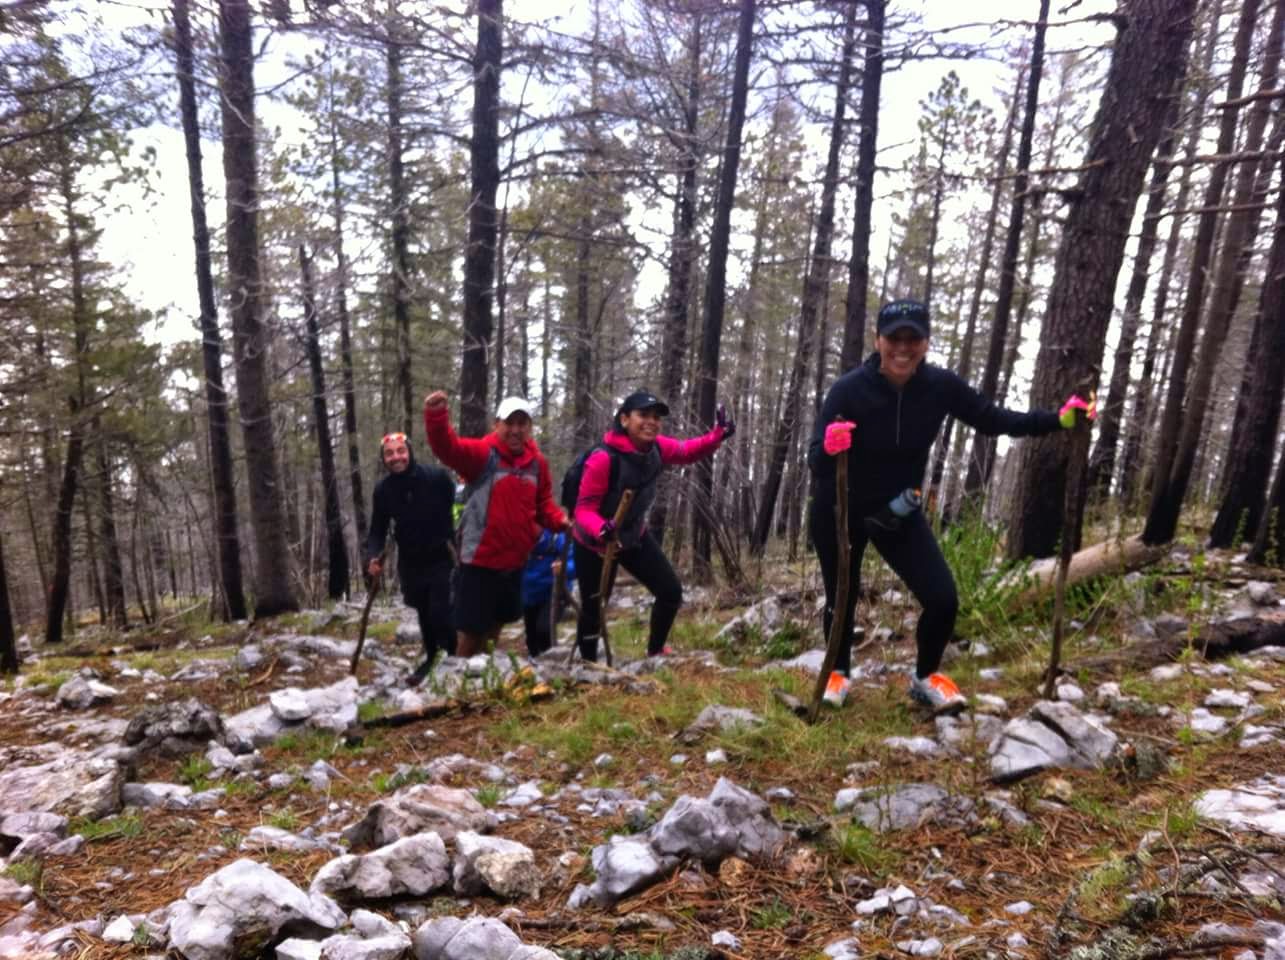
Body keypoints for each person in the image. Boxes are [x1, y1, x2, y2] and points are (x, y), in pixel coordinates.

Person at [807, 299, 1094, 713]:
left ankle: (925, 676)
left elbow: (995, 420)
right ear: (878, 341)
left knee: (943, 599)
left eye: (913, 338)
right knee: (841, 597)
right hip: (838, 511)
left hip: (897, 512)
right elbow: (815, 458)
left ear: (925, 343)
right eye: (894, 338)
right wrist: (830, 447)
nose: (903, 348)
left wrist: (1057, 420)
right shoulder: (848, 390)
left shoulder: (940, 386)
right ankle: (837, 673)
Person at [571, 390, 734, 661]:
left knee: (670, 591)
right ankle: (587, 667)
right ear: (624, 420)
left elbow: (686, 451)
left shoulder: (656, 448)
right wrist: (603, 529)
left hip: (633, 535)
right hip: (594, 543)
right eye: (643, 415)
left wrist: (717, 436)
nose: (652, 422)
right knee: (595, 607)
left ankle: (655, 652)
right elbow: (583, 510)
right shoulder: (603, 458)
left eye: (656, 417)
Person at [424, 391, 567, 657]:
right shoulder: (483, 456)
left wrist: (560, 521)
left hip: (514, 562)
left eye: (522, 423)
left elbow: (543, 503)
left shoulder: (537, 464)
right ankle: (457, 680)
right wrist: (436, 416)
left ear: (529, 427)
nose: (515, 430)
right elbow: (448, 448)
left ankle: (485, 674)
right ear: (496, 424)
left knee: (497, 624)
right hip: (479, 561)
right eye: (509, 423)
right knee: (470, 630)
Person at [366, 431, 457, 685]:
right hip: (410, 562)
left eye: (400, 451)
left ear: (409, 452)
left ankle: (452, 657)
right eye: (390, 453)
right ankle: (431, 657)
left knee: (441, 610)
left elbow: (458, 506)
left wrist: (459, 542)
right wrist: (372, 556)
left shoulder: (436, 478)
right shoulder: (383, 491)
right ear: (384, 459)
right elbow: (377, 530)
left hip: (442, 556)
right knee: (424, 612)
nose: (396, 457)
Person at [520, 529, 576, 657]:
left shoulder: (557, 538)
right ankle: (535, 664)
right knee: (531, 636)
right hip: (529, 594)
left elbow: (574, 562)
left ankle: (549, 661)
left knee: (544, 630)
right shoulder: (518, 536)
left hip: (554, 592)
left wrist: (564, 568)